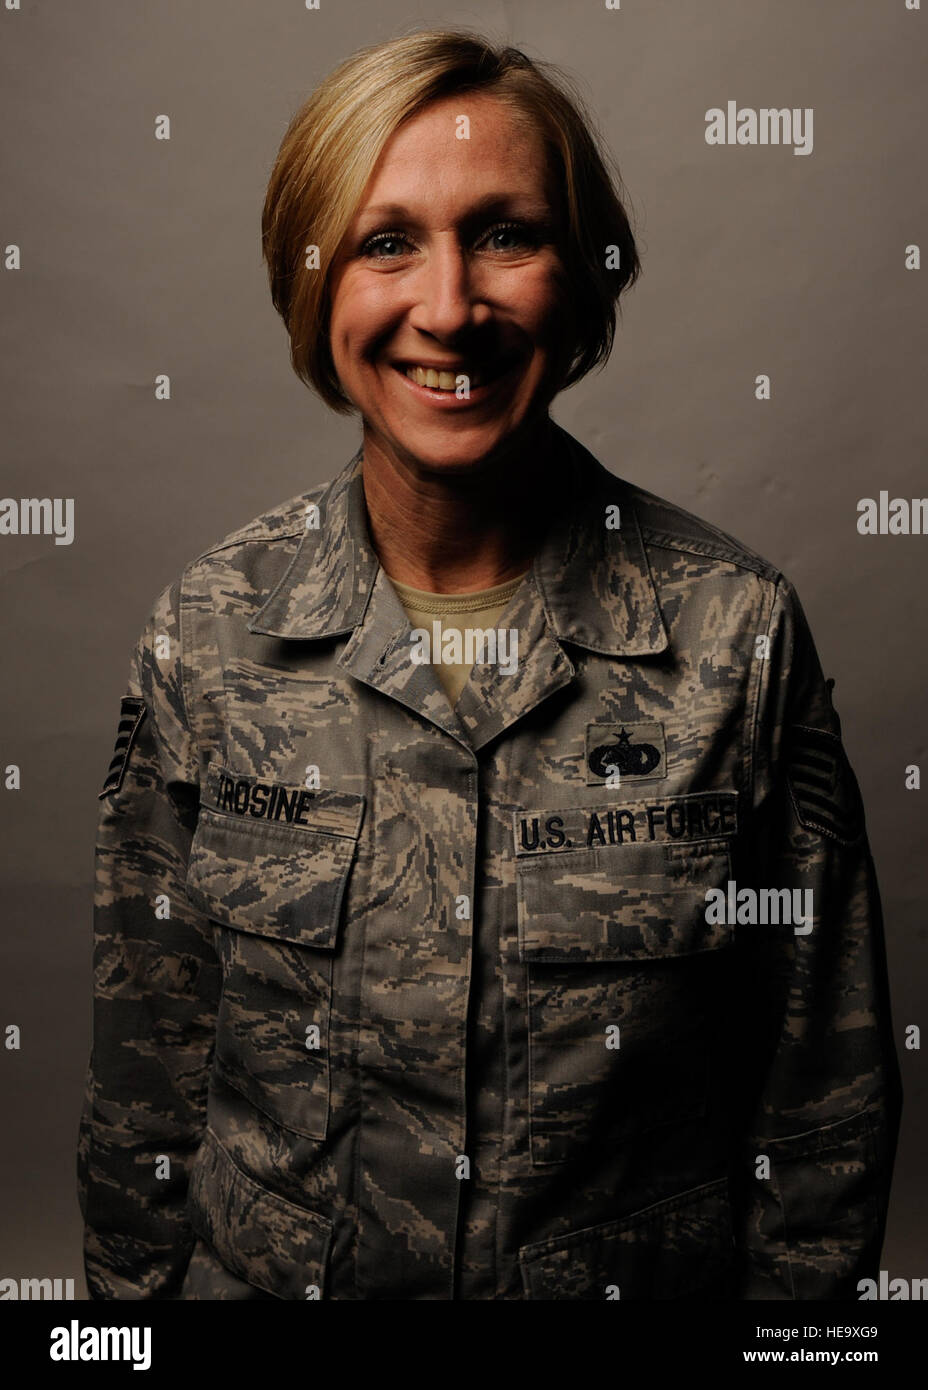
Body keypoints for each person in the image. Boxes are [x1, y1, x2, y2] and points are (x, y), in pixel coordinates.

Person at [77, 28, 902, 1300]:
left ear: (583, 279)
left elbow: (821, 1096)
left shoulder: (736, 636)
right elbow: (147, 1073)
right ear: (315, 286)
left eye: (506, 234)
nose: (448, 305)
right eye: (385, 240)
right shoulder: (210, 630)